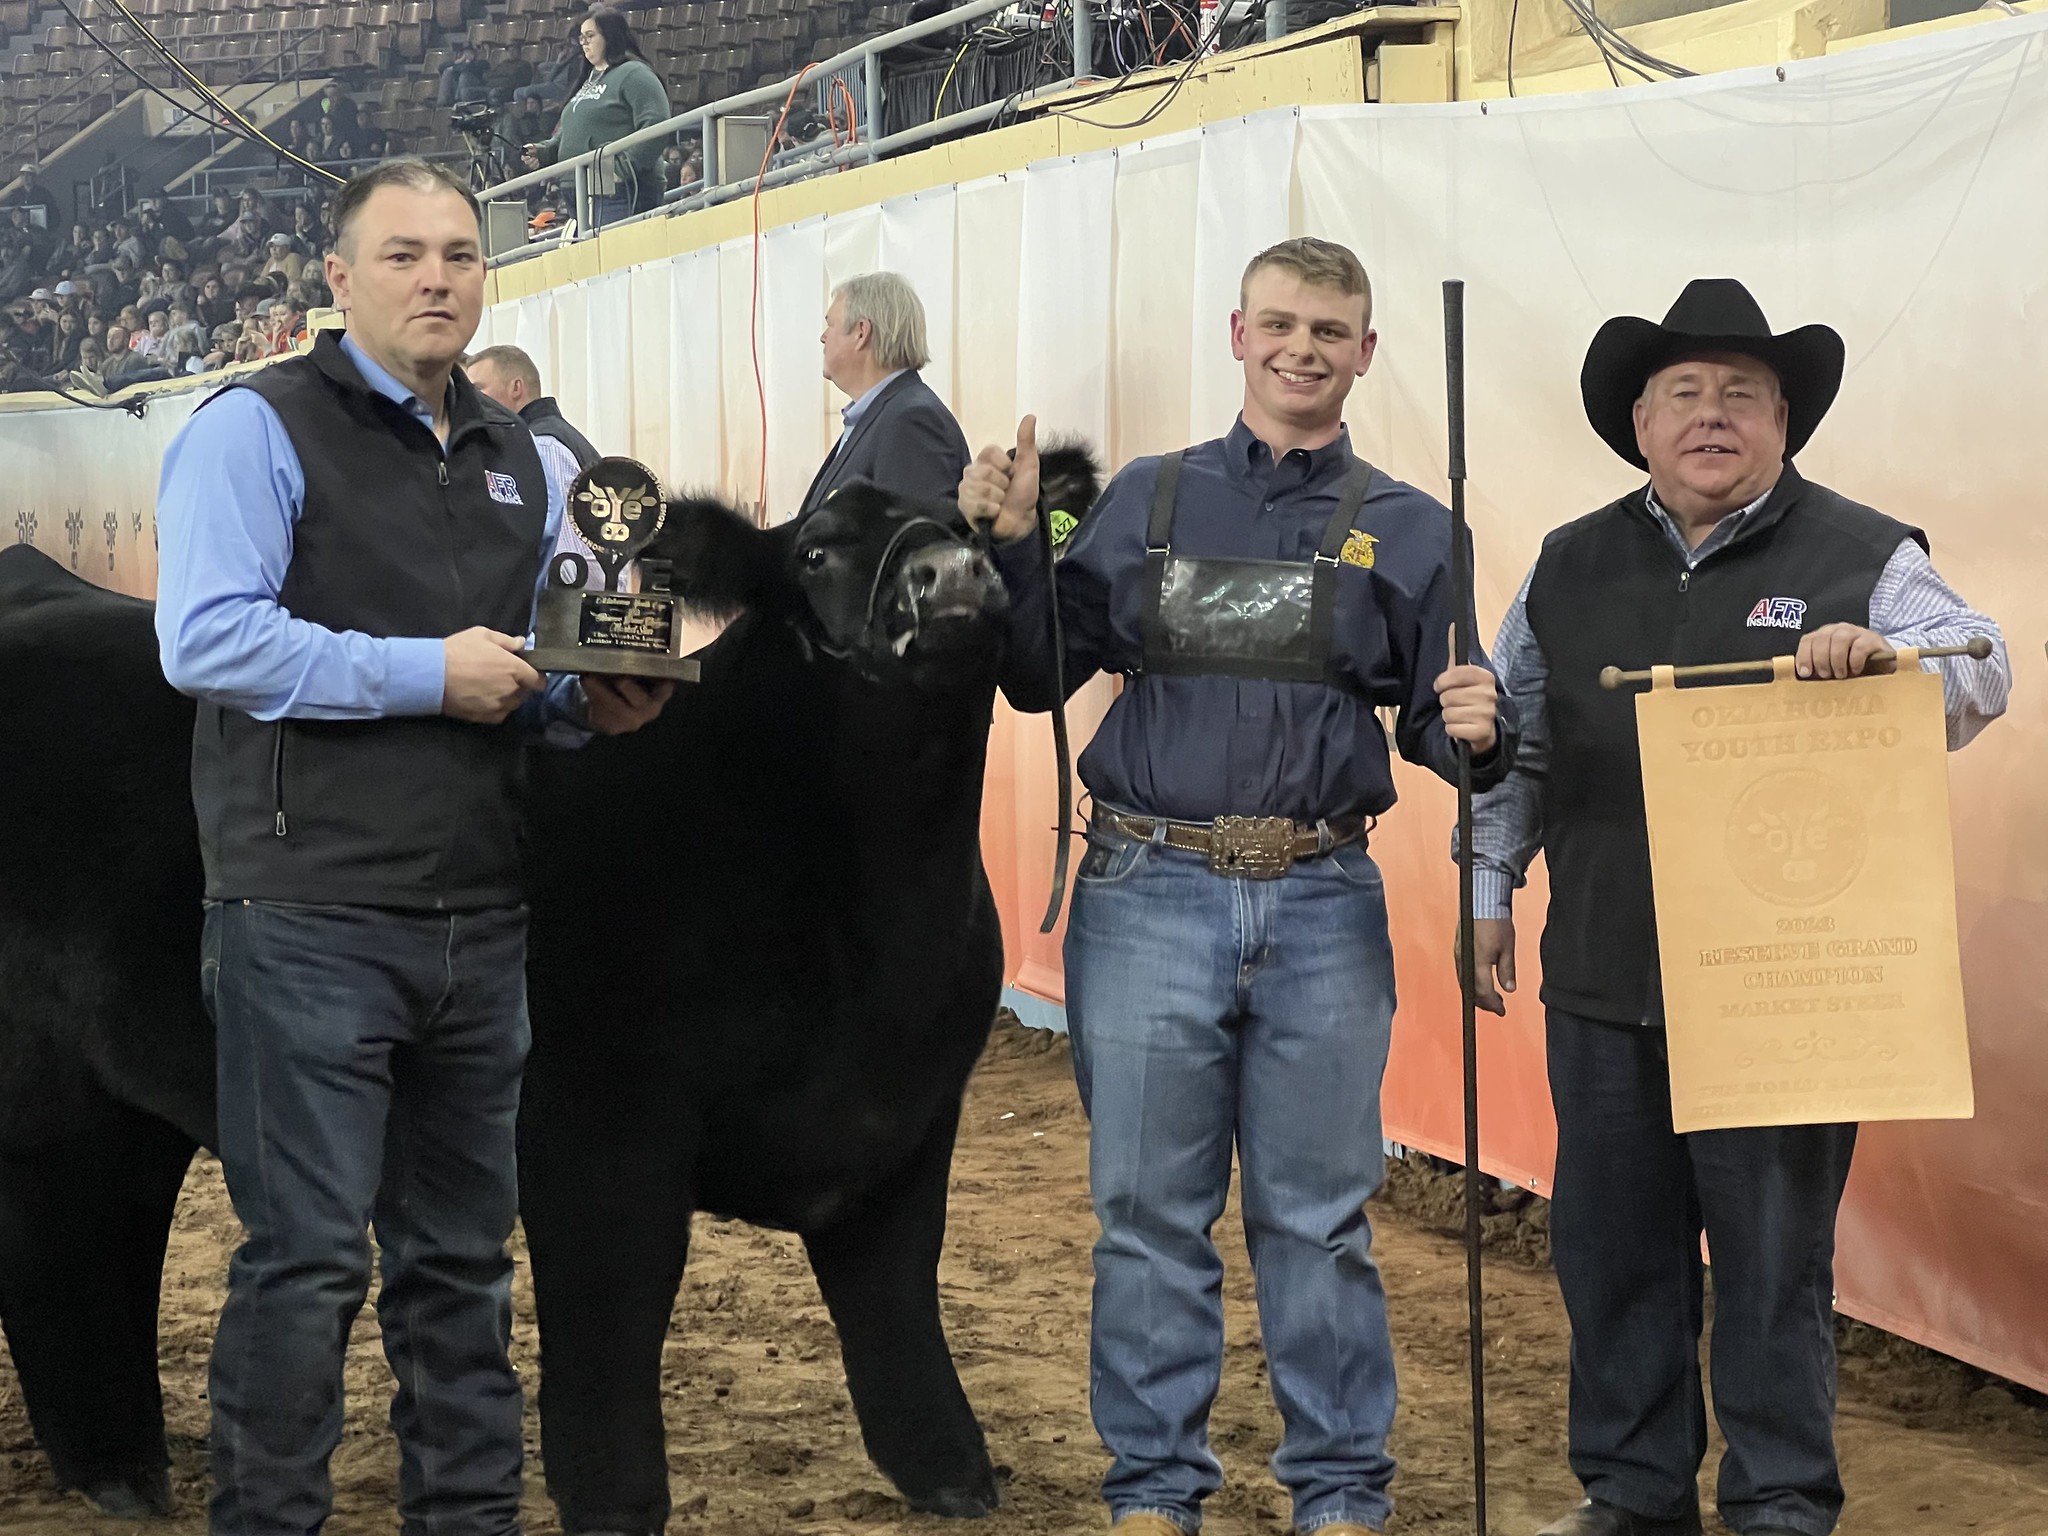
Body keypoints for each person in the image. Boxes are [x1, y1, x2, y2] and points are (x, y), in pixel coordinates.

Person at [956, 236, 1511, 1536]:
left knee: (1318, 1222)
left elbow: (1442, 728)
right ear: (1238, 334)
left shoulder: (1420, 529)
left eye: (1330, 329)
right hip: (1146, 888)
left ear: (1365, 351)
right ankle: (1155, 1499)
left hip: (1324, 902)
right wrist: (1006, 545)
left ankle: (1340, 1501)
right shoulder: (1148, 501)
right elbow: (1039, 674)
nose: (1303, 348)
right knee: (1148, 1218)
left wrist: (1481, 729)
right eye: (1281, 323)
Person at [152, 157, 673, 1536]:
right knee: (308, 1264)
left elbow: (544, 674)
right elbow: (203, 637)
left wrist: (595, 700)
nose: (437, 277)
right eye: (403, 255)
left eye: (459, 254)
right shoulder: (250, 429)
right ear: (338, 279)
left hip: (481, 918)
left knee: (459, 1270)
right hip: (305, 914)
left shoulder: (532, 462)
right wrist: (421, 675)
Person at [1465, 278, 2011, 1536]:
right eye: (1684, 396)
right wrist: (1488, 889)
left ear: (1782, 424)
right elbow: (1523, 741)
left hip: (1784, 984)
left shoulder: (1864, 554)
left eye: (1742, 398)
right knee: (1609, 1253)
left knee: (1771, 1264)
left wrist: (1890, 666)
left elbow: (1980, 667)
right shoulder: (1566, 561)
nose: (1712, 417)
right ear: (1639, 424)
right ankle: (1632, 1493)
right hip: (1601, 973)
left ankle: (1776, 1502)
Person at [795, 271, 968, 522]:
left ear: (861, 332)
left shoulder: (911, 422)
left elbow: (913, 545)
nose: (823, 336)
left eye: (830, 324)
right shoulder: (882, 416)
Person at [521, 6, 671, 229]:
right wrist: (543, 151)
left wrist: (622, 169)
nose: (584, 42)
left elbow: (656, 124)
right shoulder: (588, 80)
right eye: (581, 38)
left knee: (619, 260)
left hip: (618, 191)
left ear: (610, 36)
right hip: (579, 190)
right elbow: (569, 134)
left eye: (590, 36)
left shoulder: (634, 73)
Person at [465, 342, 601, 470]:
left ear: (516, 388)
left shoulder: (542, 445)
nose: (470, 398)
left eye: (477, 389)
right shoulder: (554, 435)